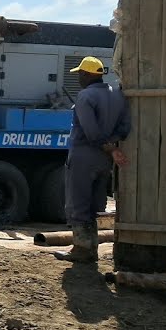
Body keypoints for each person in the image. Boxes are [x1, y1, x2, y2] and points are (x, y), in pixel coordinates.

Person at [56, 56, 131, 264]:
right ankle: (92, 249)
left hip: (83, 156)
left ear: (87, 75)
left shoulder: (85, 96)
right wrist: (112, 148)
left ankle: (82, 248)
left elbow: (91, 132)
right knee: (94, 204)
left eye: (80, 73)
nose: (79, 77)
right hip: (104, 160)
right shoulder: (118, 95)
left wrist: (106, 146)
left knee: (78, 202)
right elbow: (124, 128)